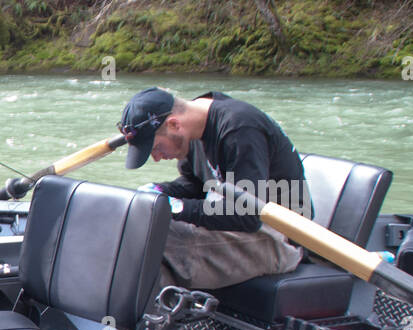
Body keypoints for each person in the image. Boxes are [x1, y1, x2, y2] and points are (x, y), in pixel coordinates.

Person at [119, 86, 307, 292]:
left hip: (276, 235)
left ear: (174, 124)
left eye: (155, 147)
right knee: (135, 227)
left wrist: (177, 208)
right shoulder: (196, 127)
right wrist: (159, 191)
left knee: (154, 241)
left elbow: (248, 215)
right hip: (237, 222)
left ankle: (146, 318)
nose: (156, 158)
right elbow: (196, 185)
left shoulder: (239, 128)